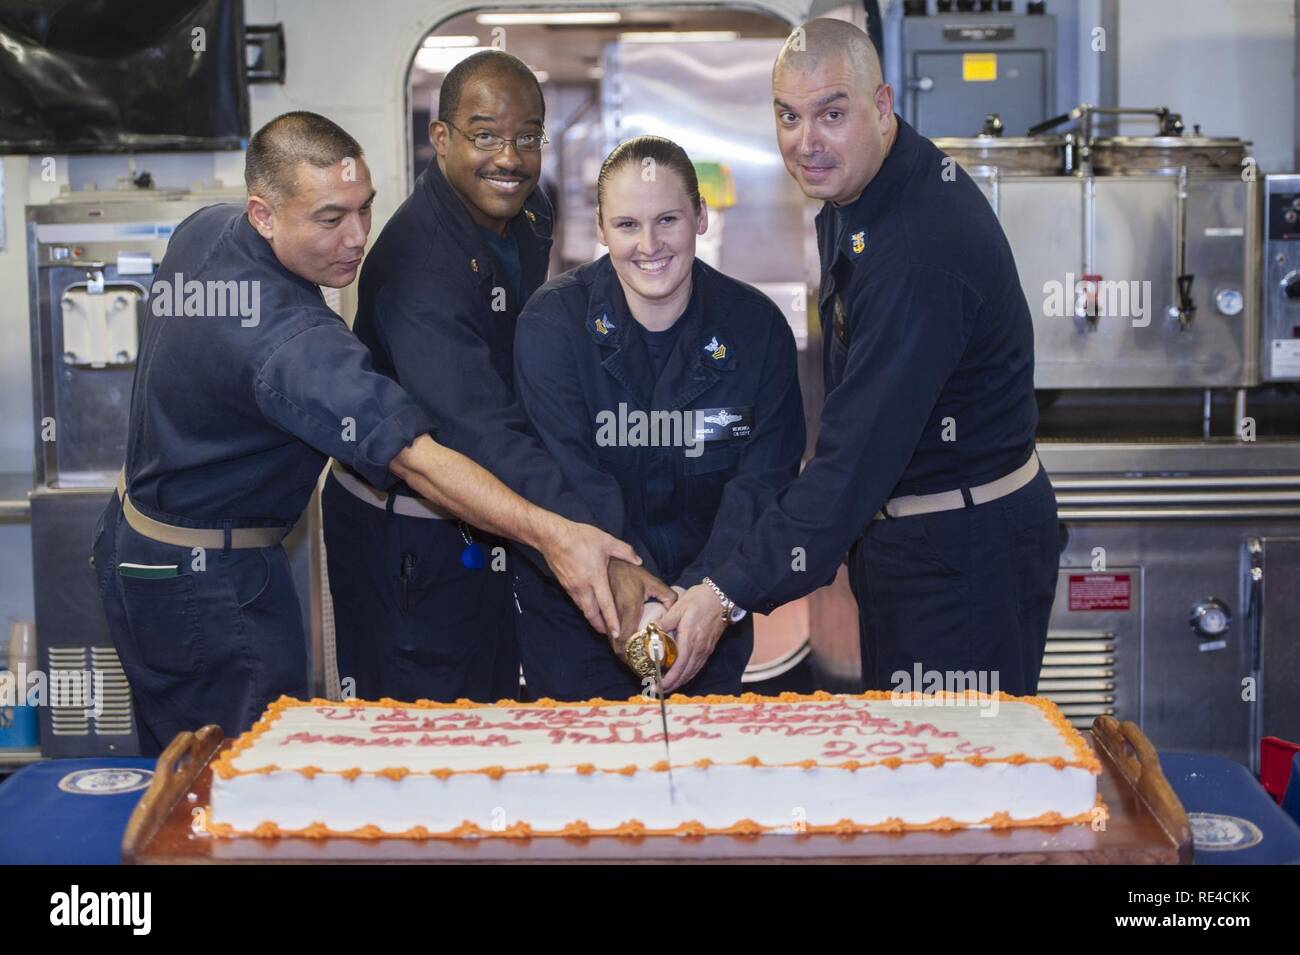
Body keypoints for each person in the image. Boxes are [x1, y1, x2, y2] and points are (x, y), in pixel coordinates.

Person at [93, 111, 641, 755]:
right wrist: (557, 537)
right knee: (237, 784)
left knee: (180, 763)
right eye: (329, 219)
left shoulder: (207, 229)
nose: (357, 238)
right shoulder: (293, 346)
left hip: (138, 541)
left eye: (365, 208)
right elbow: (419, 461)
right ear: (264, 214)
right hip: (207, 584)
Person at [659, 19, 1060, 697]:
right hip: (912, 543)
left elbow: (853, 461)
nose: (805, 142)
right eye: (788, 116)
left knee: (955, 784)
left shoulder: (916, 249)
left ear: (882, 106)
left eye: (831, 114)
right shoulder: (861, 189)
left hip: (962, 565)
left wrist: (724, 591)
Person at [324, 52, 673, 704]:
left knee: (494, 704)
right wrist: (600, 552)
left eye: (526, 136)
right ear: (441, 139)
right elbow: (484, 429)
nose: (508, 158)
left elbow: (519, 362)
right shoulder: (417, 268)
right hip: (414, 534)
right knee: (431, 729)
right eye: (484, 135)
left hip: (492, 517)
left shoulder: (530, 213)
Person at [513, 135, 805, 699]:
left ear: (699, 215)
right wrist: (638, 599)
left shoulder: (756, 327)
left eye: (667, 219)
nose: (649, 245)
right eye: (626, 225)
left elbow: (763, 483)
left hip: (710, 617)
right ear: (600, 227)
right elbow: (567, 481)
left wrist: (705, 596)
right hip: (581, 622)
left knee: (704, 776)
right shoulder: (553, 324)